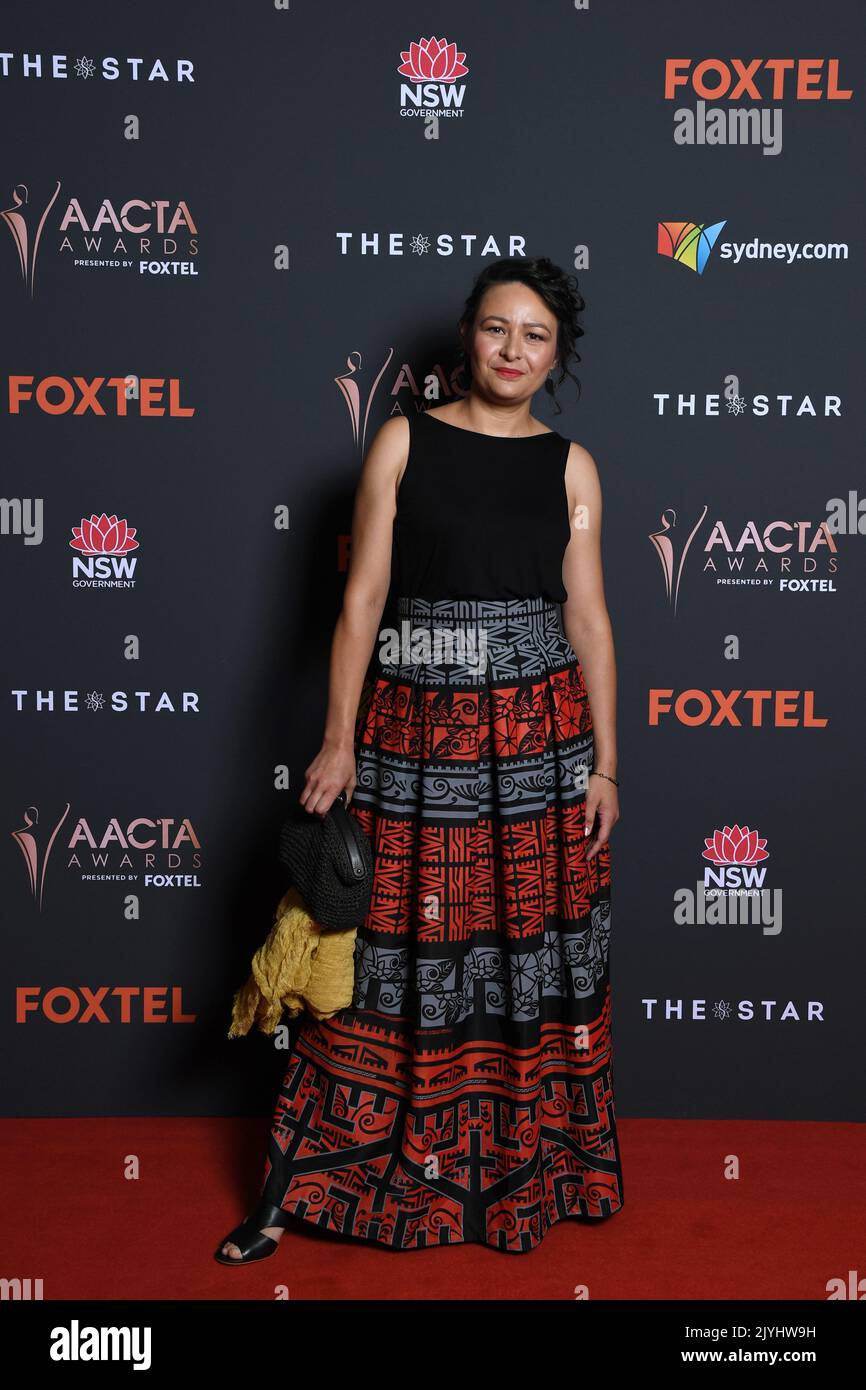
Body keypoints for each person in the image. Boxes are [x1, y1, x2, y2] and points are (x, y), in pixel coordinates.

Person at [216, 254, 623, 1261]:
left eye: (534, 336)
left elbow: (587, 617)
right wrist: (337, 737)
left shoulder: (571, 468)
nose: (512, 350)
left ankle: (527, 1175)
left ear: (557, 355)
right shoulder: (403, 441)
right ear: (467, 337)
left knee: (525, 952)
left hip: (537, 738)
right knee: (385, 952)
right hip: (414, 729)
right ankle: (313, 1181)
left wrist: (606, 764)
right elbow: (361, 599)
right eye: (496, 328)